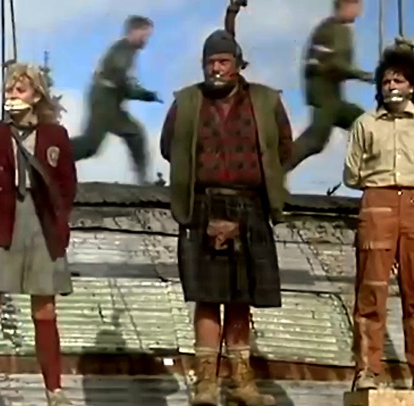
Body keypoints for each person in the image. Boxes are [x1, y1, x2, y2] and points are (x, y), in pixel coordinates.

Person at [160, 28, 292, 406]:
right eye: (210, 62)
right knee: (207, 297)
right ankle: (206, 384)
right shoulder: (187, 102)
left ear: (237, 64)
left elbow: (283, 147)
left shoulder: (265, 101)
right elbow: (170, 147)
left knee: (240, 298)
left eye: (223, 61)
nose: (215, 68)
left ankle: (242, 383)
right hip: (203, 204)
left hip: (250, 204)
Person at [0, 63, 77, 406]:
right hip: (0, 223)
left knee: (45, 311)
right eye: (9, 90)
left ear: (36, 96)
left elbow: (67, 185)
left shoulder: (56, 136)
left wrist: (57, 220)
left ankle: (55, 391)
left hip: (41, 226)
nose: (12, 95)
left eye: (19, 89)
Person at [344, 46, 414, 392]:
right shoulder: (366, 124)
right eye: (386, 81)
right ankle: (367, 370)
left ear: (412, 85)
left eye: (398, 80)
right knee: (371, 290)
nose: (391, 86)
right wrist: (381, 187)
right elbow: (352, 173)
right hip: (378, 201)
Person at [285, 0, 373, 172]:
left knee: (366, 126)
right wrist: (363, 75)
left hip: (331, 97)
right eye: (357, 6)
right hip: (325, 97)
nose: (360, 12)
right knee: (315, 140)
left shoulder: (331, 28)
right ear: (347, 5)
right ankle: (274, 171)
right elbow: (333, 64)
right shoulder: (334, 29)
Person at [71, 15, 160, 185]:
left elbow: (123, 83)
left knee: (134, 133)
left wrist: (143, 94)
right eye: (145, 35)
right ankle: (53, 155)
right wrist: (144, 94)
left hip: (110, 100)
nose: (146, 40)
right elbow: (120, 79)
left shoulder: (128, 51)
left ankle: (142, 179)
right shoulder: (123, 49)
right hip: (104, 99)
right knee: (91, 144)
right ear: (134, 31)